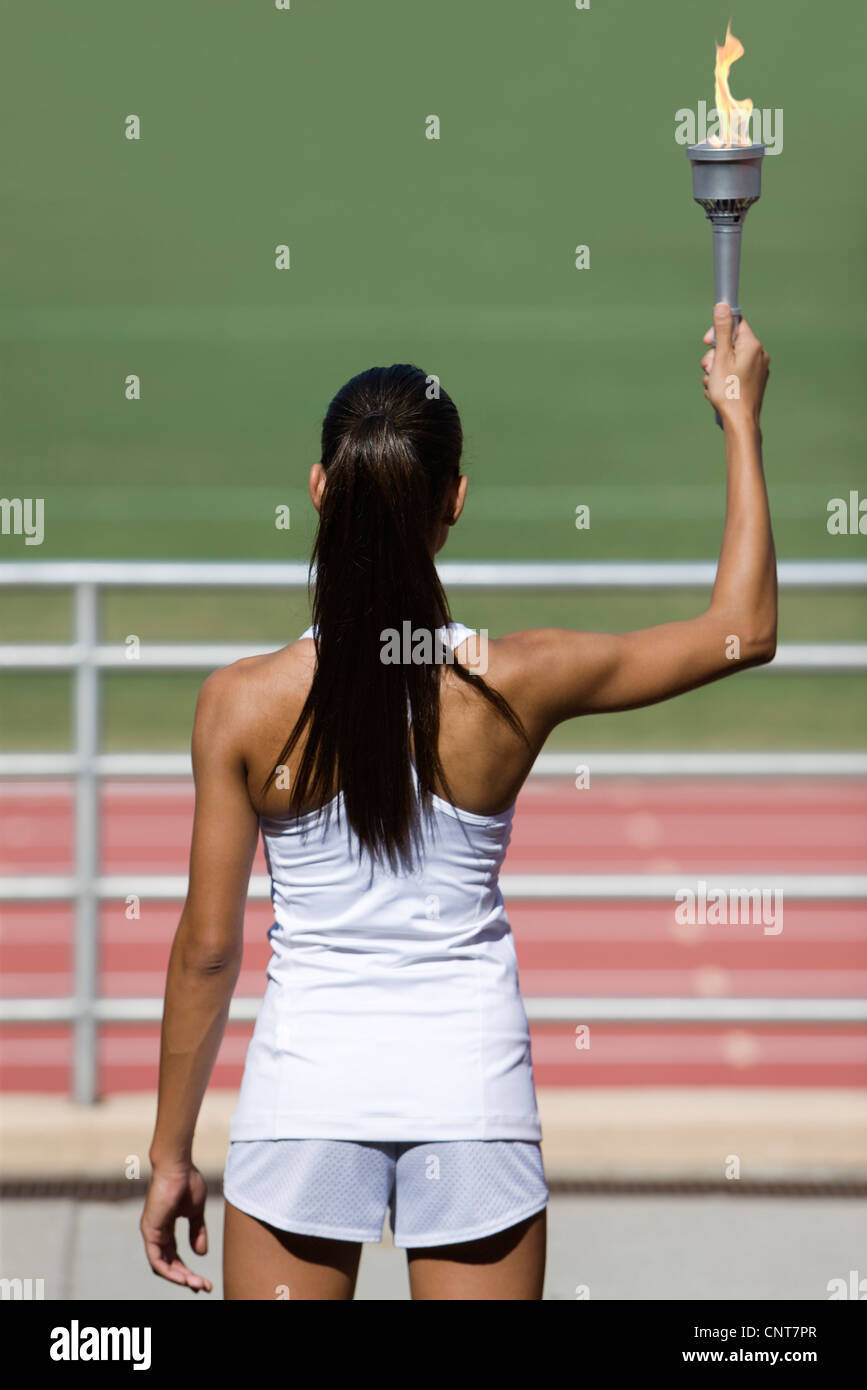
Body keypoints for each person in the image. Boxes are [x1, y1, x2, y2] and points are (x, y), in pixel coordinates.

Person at [141, 304, 774, 1300]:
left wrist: (169, 1152)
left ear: (317, 491)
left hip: (304, 1103)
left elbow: (206, 948)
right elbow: (744, 627)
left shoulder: (239, 706)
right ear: (456, 502)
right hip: (473, 1102)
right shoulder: (516, 680)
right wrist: (740, 415)